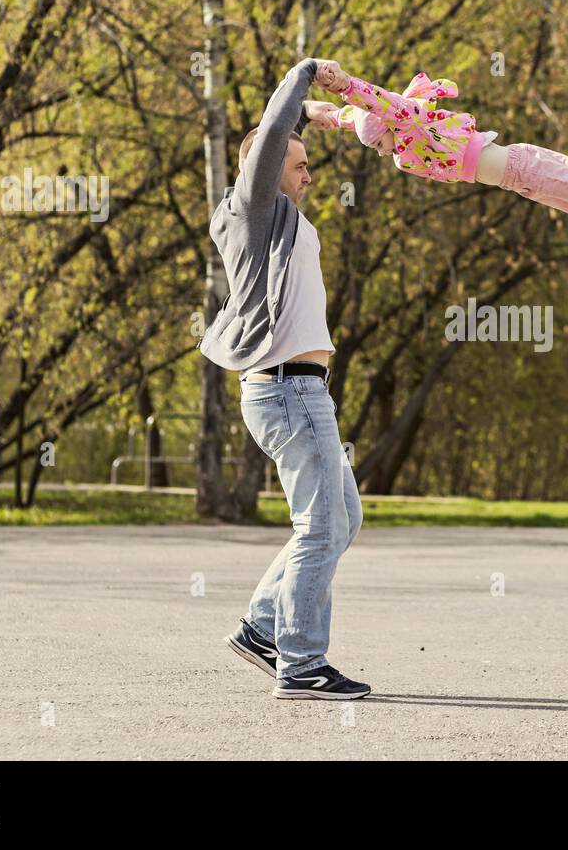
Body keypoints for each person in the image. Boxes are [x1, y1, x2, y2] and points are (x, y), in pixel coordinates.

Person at [200, 57, 370, 701]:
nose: (308, 172)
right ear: (265, 170)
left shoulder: (277, 221)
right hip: (288, 389)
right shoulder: (254, 209)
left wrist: (311, 116)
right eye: (299, 164)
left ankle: (262, 628)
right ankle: (300, 664)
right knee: (321, 525)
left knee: (340, 519)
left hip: (300, 390)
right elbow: (270, 137)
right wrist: (305, 78)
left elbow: (280, 136)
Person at [311, 62, 568, 234]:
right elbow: (349, 119)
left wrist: (344, 84)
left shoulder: (408, 122)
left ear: (389, 128)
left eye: (381, 144)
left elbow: (376, 102)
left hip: (524, 167)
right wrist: (315, 111)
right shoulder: (390, 136)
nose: (382, 152)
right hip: (519, 181)